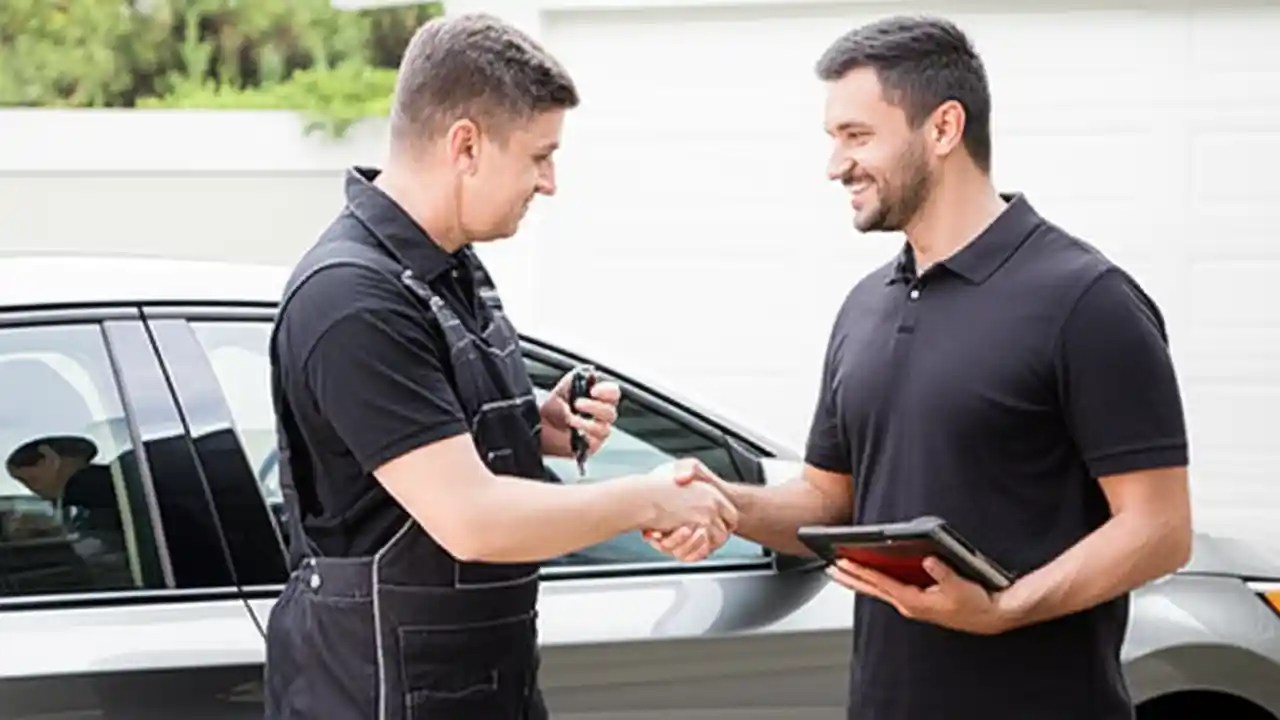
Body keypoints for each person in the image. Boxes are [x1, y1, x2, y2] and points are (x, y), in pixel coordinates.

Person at [648, 15, 1192, 720]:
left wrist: (1004, 609)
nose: (836, 165)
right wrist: (725, 502)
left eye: (857, 136)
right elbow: (829, 502)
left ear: (943, 129)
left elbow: (1158, 529)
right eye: (834, 138)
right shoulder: (864, 306)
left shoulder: (1086, 300)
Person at [262, 13, 736, 720]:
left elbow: (420, 446)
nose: (550, 182)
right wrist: (649, 498)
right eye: (540, 155)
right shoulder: (351, 299)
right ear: (466, 145)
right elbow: (472, 519)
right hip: (378, 693)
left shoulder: (448, 269)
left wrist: (535, 426)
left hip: (478, 682)